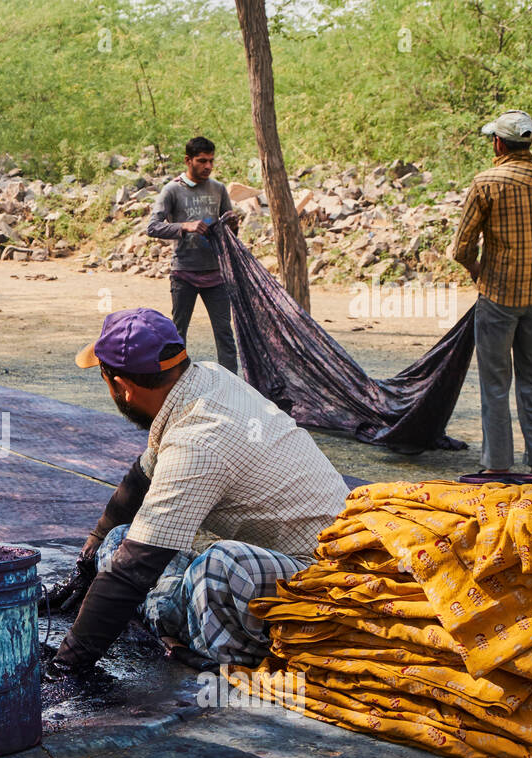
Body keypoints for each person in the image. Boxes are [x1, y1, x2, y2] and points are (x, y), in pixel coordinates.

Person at [43, 307, 350, 678]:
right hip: (275, 558)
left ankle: (222, 657)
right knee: (115, 542)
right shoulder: (207, 379)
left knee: (217, 566)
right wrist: (88, 559)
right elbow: (141, 479)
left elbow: (136, 568)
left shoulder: (197, 443)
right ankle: (183, 624)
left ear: (120, 386)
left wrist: (67, 664)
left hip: (320, 581)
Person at [451, 109, 532, 476]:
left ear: (498, 142)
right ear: (529, 142)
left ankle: (497, 465)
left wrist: (477, 269)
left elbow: (462, 247)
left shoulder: (487, 182)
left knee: (495, 383)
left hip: (497, 296)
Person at [147, 136, 241, 372]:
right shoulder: (172, 190)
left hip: (216, 274)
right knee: (177, 335)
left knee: (225, 334)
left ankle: (231, 385)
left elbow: (229, 233)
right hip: (184, 273)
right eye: (202, 161)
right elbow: (153, 227)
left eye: (211, 161)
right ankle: (175, 381)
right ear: (188, 161)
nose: (208, 166)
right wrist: (183, 226)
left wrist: (233, 225)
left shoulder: (218, 189)